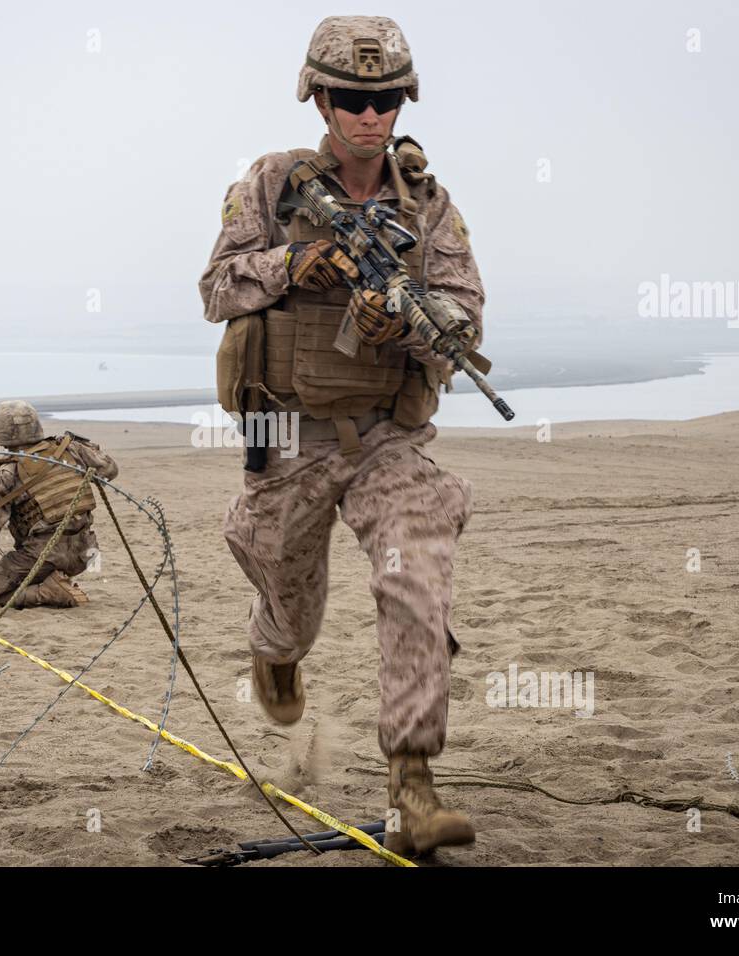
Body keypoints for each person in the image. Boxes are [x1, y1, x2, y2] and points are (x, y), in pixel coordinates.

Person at [199, 15, 486, 857]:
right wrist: (296, 266)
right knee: (292, 612)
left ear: (403, 104)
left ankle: (412, 786)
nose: (370, 116)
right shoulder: (271, 183)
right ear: (319, 98)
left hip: (384, 439)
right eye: (353, 99)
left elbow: (463, 318)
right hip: (284, 436)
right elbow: (216, 287)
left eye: (385, 99)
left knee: (416, 568)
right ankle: (276, 656)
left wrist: (402, 327)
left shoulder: (428, 208)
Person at [0, 400, 118, 608]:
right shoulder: (70, 450)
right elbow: (110, 470)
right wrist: (81, 447)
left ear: (0, 433)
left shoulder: (7, 474)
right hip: (85, 553)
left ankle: (48, 592)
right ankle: (53, 582)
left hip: (44, 555)